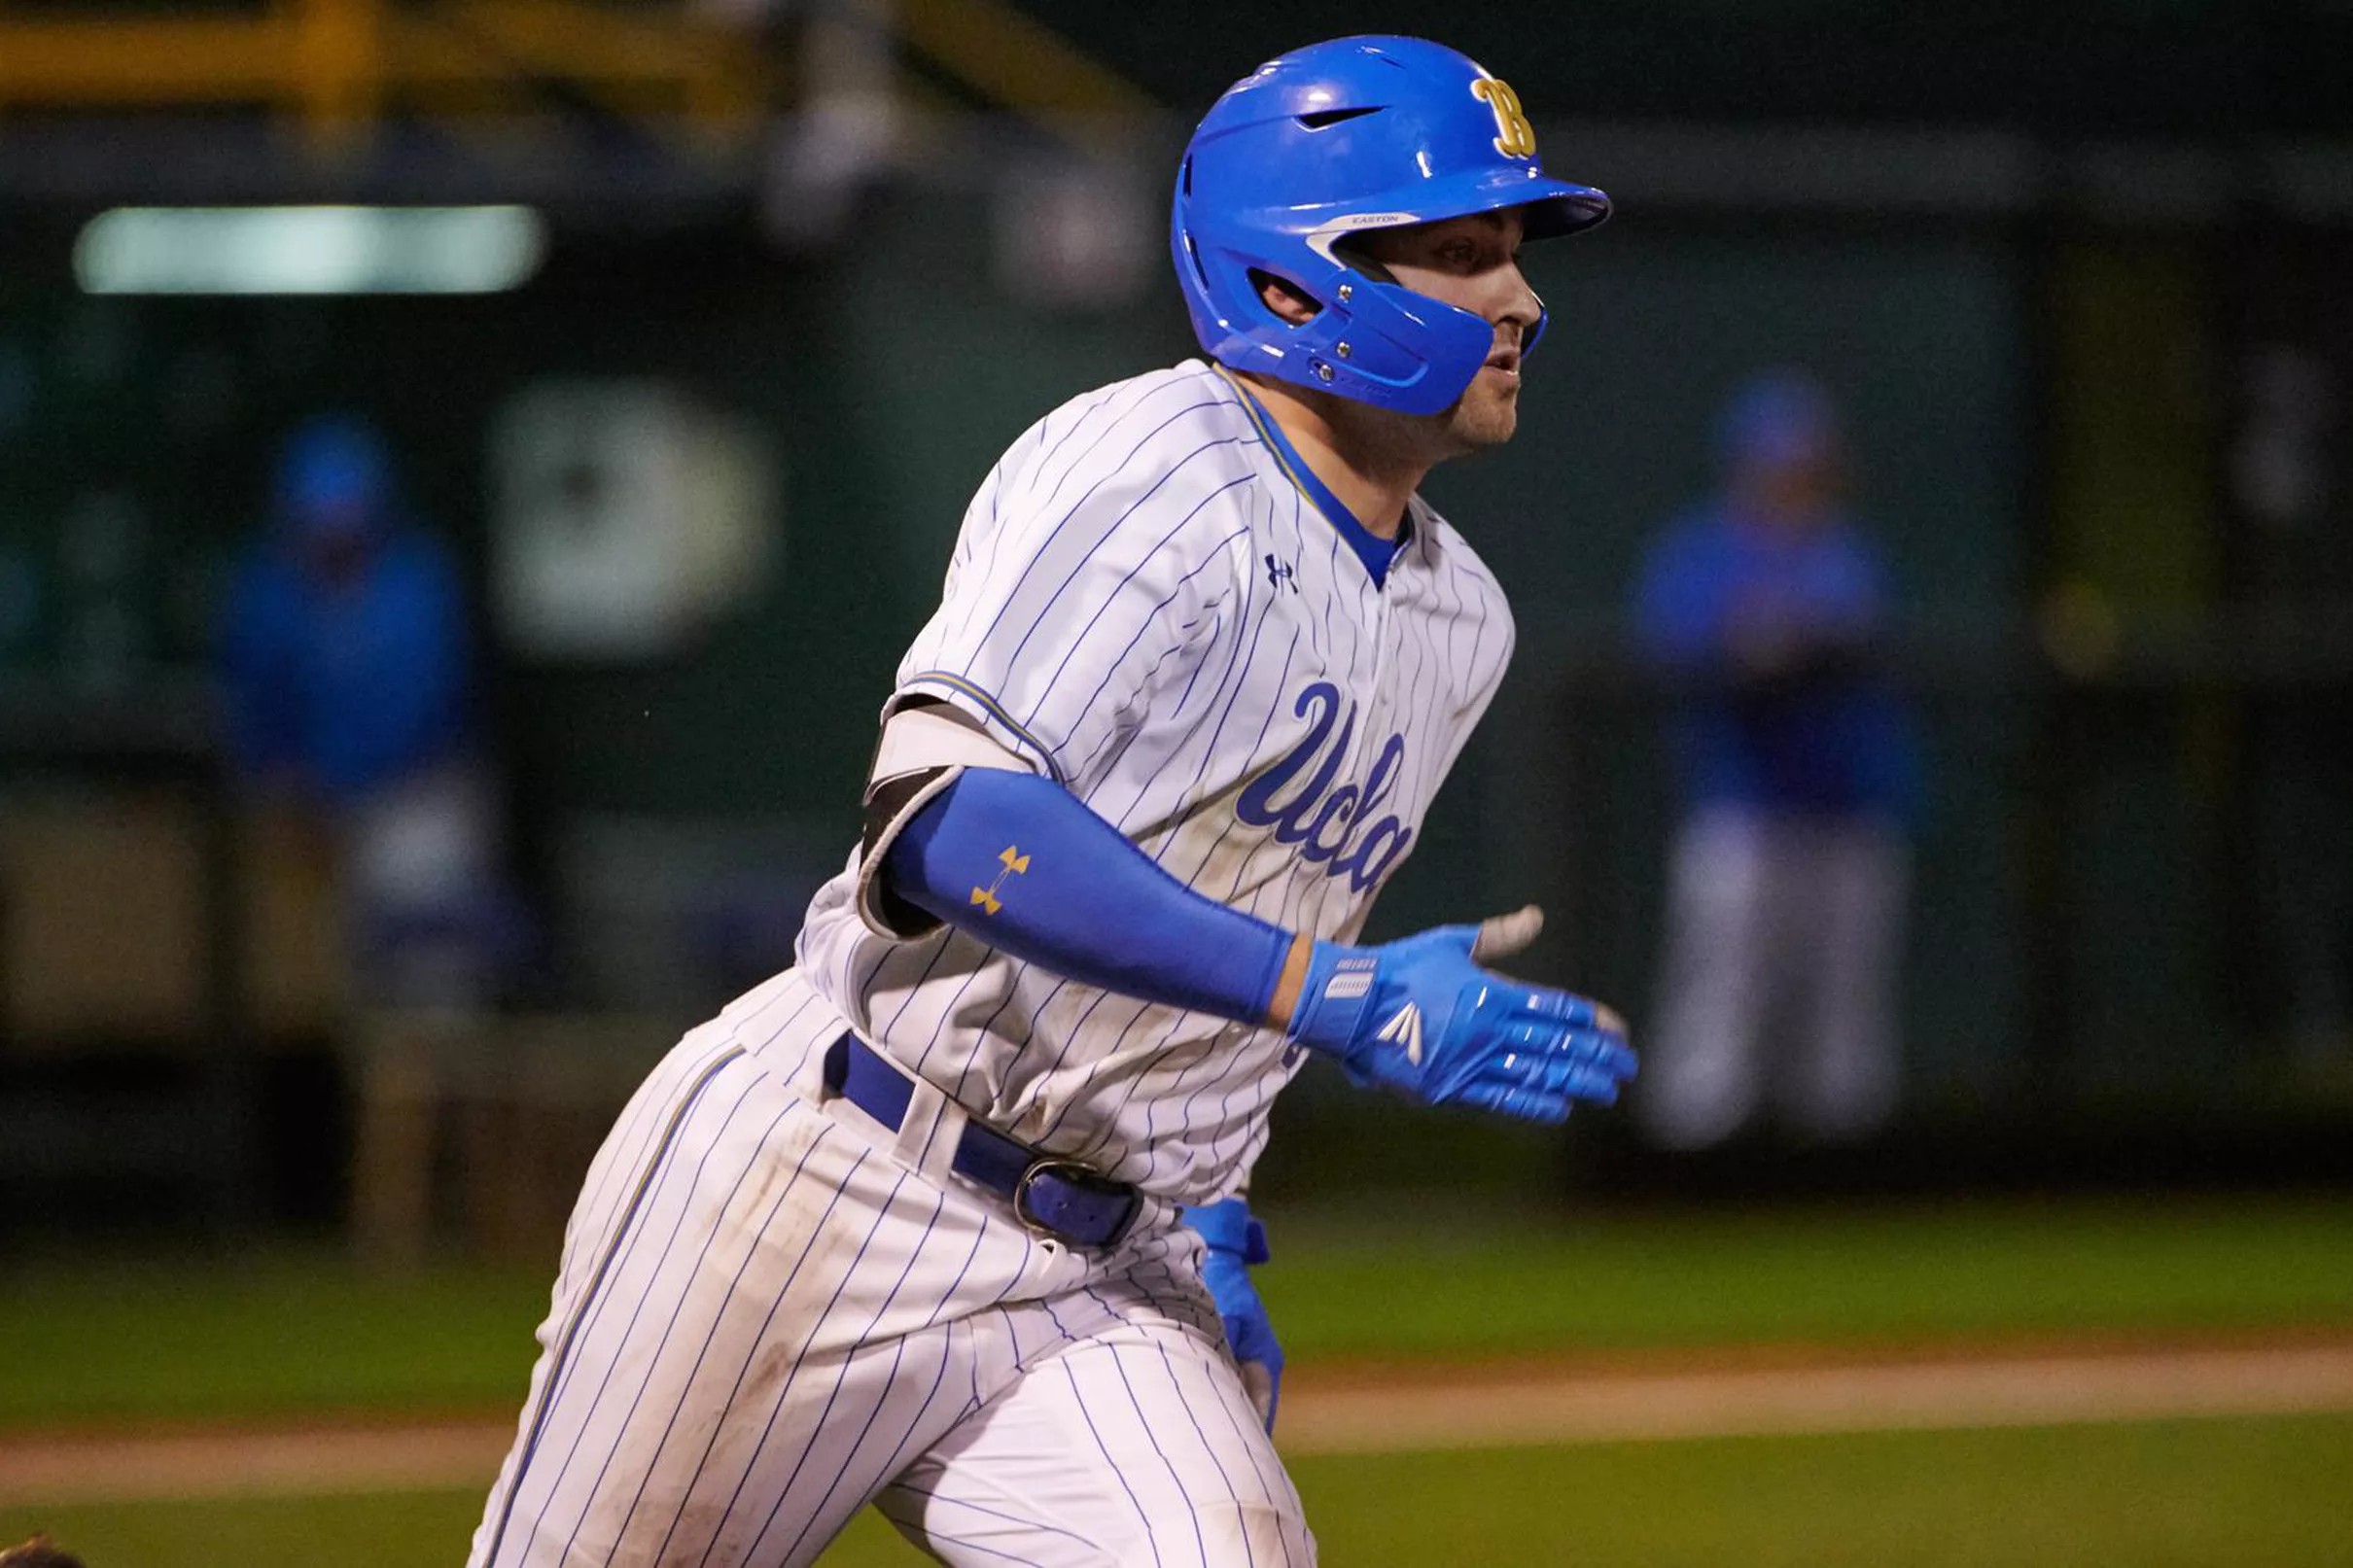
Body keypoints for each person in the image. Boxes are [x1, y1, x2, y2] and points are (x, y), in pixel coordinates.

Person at [469, 36, 1635, 1568]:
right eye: (1463, 252)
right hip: (835, 1178)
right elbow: (949, 821)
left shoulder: (1459, 617)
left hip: (1094, 1269)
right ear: (1292, 286)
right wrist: (1330, 992)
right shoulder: (1147, 467)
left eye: (1517, 255)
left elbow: (1259, 926)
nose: (1520, 298)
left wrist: (1208, 1198)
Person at [1632, 371, 1917, 1150]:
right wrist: (1768, 649)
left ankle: (1842, 1171)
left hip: (1847, 805)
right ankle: (1692, 1162)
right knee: (1721, 995)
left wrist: (1787, 644)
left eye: (1808, 462)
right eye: (1782, 461)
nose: (1796, 477)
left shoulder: (1844, 552)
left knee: (1845, 1008)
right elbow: (1684, 650)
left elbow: (1851, 639)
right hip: (1741, 806)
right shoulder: (1703, 551)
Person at [220, 415, 509, 1007]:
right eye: (319, 523)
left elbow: (423, 709)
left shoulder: (418, 585)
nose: (335, 538)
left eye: (348, 521)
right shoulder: (268, 591)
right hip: (306, 820)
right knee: (304, 983)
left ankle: (432, 1076)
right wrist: (287, 784)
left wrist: (336, 784)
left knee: (431, 979)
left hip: (413, 800)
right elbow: (254, 708)